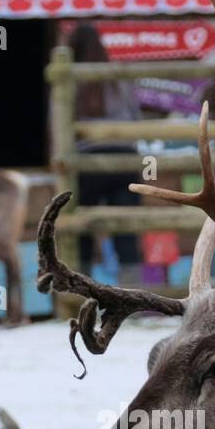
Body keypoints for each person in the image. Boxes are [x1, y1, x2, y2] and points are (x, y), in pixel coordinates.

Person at [66, 23, 141, 271]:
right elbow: (135, 117)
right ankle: (136, 302)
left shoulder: (68, 78)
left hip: (87, 161)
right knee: (126, 235)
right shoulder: (118, 76)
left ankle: (81, 298)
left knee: (82, 233)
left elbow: (58, 127)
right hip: (125, 159)